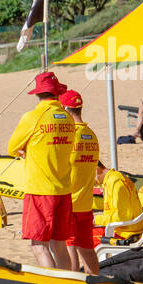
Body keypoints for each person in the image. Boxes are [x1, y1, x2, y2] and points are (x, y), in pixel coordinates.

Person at [7, 71, 75, 270]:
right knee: (60, 246)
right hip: (63, 188)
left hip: (40, 189)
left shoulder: (33, 116)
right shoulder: (67, 117)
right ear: (56, 94)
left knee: (39, 247)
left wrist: (26, 149)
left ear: (38, 94)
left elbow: (12, 147)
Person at [59, 88, 100, 274]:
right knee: (87, 248)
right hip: (86, 201)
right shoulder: (91, 135)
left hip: (70, 201)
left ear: (65, 110)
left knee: (70, 249)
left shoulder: (70, 135)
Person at [93, 161, 142, 244]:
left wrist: (95, 219)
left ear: (96, 170)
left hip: (125, 233)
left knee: (76, 236)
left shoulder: (115, 182)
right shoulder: (113, 178)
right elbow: (112, 207)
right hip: (128, 228)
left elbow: (123, 216)